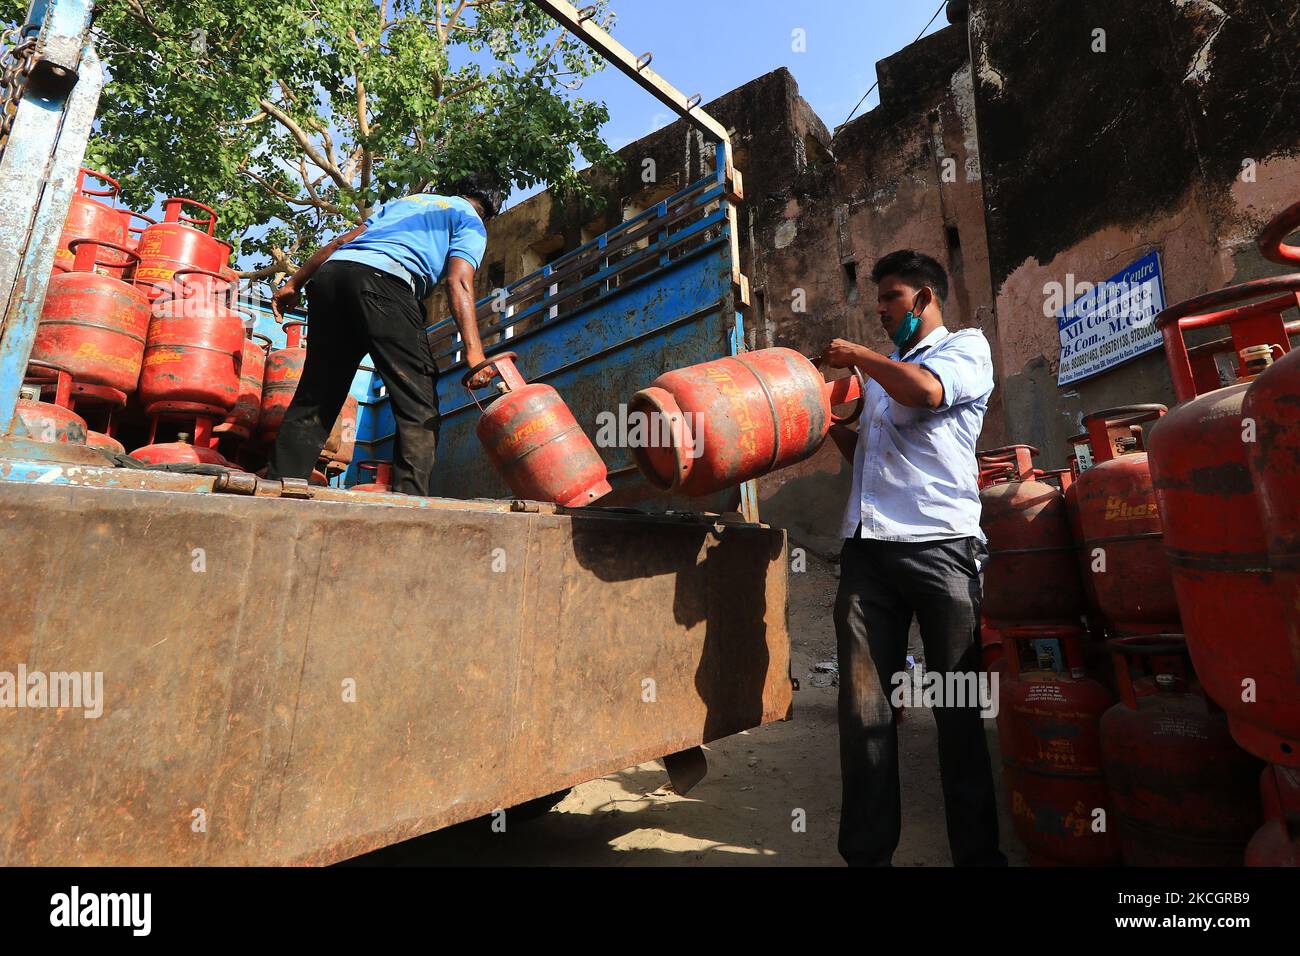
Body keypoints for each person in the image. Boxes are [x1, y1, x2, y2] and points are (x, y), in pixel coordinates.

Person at [821, 248, 1006, 867]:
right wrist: (824, 423)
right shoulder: (885, 375)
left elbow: (927, 395)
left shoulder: (964, 350)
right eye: (876, 301)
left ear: (924, 299)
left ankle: (978, 858)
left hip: (940, 550)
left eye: (890, 299)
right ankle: (868, 857)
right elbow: (868, 460)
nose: (879, 312)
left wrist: (859, 361)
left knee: (957, 715)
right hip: (868, 552)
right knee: (865, 716)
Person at [265, 173, 506, 495]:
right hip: (384, 285)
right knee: (417, 401)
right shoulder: (470, 219)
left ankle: (280, 487)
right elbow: (458, 281)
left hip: (331, 278)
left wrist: (294, 282)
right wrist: (475, 354)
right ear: (489, 212)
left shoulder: (405, 204)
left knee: (318, 394)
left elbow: (340, 242)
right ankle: (409, 502)